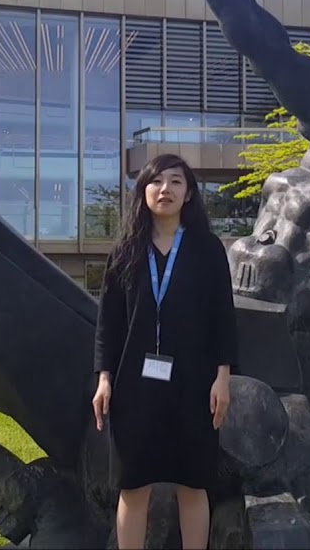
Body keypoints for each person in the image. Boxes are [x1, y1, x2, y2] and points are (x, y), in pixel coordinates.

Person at [93, 153, 238, 550]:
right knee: (133, 486)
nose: (165, 190)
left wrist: (222, 379)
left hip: (194, 385)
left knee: (192, 484)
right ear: (142, 193)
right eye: (156, 182)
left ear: (189, 193)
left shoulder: (207, 250)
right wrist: (104, 379)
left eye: (176, 182)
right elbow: (109, 323)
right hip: (134, 387)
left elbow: (223, 317)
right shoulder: (125, 251)